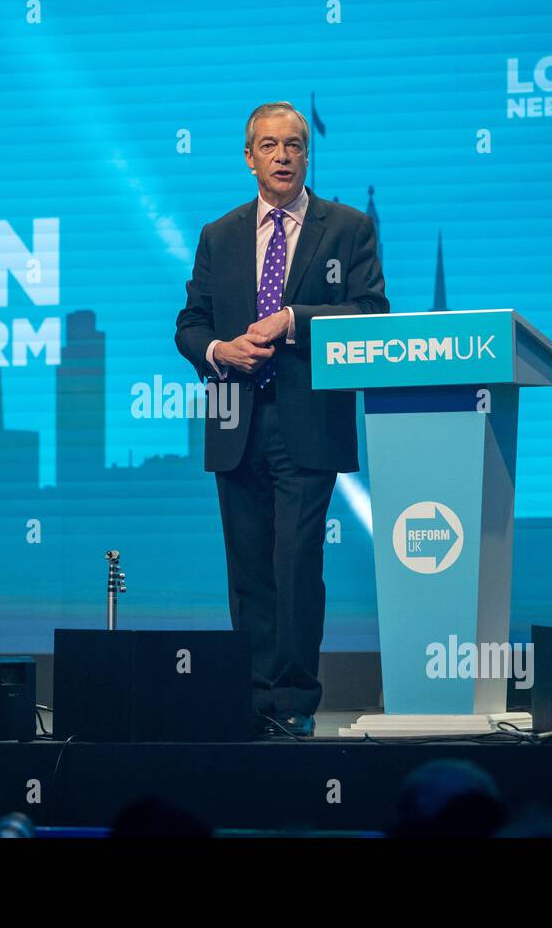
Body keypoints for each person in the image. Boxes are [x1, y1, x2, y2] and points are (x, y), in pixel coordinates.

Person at [175, 101, 388, 739]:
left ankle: (292, 702)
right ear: (249, 157)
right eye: (269, 146)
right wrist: (219, 351)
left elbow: (372, 312)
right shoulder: (220, 234)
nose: (283, 157)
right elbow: (190, 324)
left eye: (294, 145)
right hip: (236, 418)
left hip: (309, 423)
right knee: (248, 569)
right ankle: (250, 698)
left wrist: (294, 321)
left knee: (295, 565)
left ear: (307, 154)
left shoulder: (346, 228)